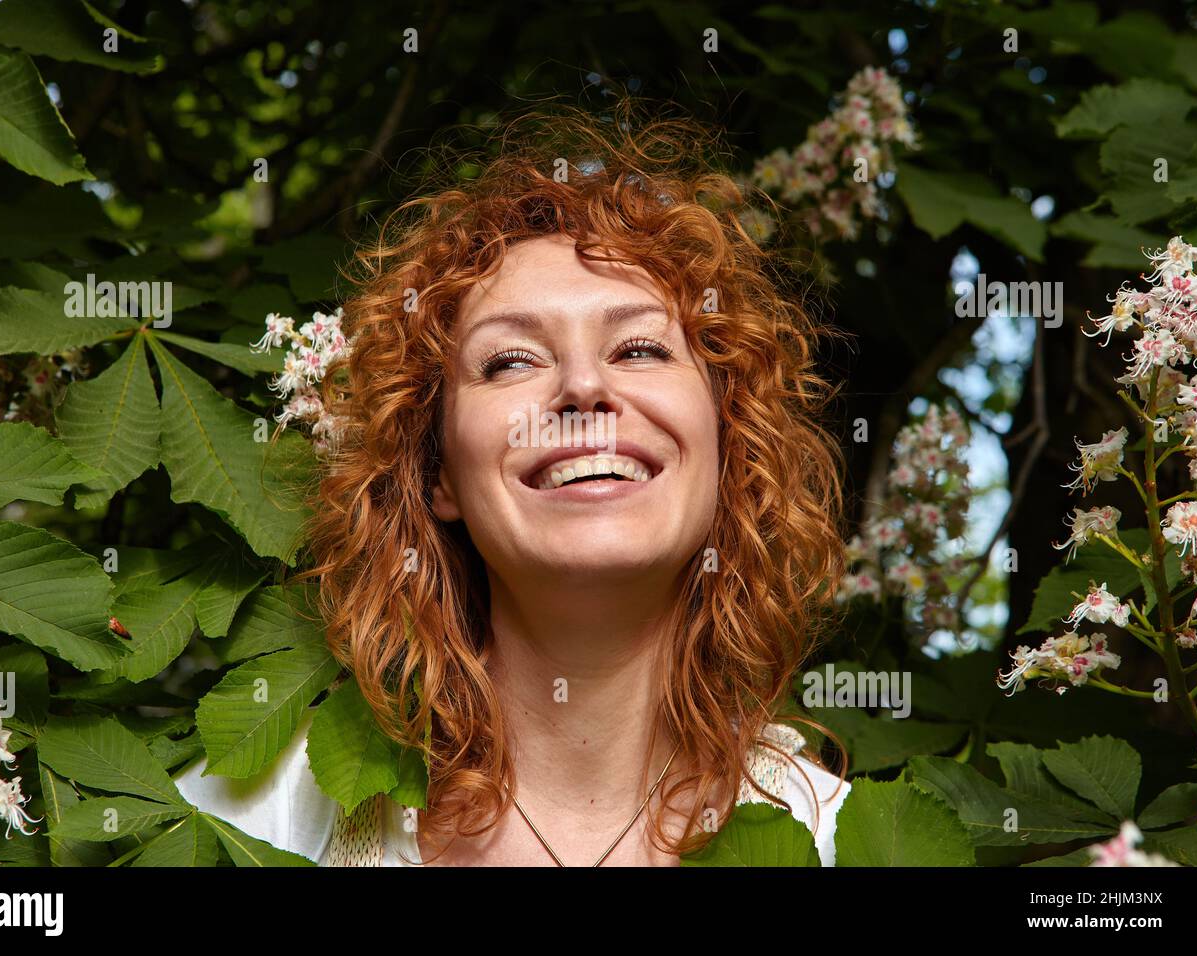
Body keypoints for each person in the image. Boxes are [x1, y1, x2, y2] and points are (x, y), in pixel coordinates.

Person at [176, 100, 851, 866]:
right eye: (511, 361)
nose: (584, 387)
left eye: (638, 349)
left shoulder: (837, 840)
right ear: (438, 477)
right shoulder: (267, 813)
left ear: (726, 443)